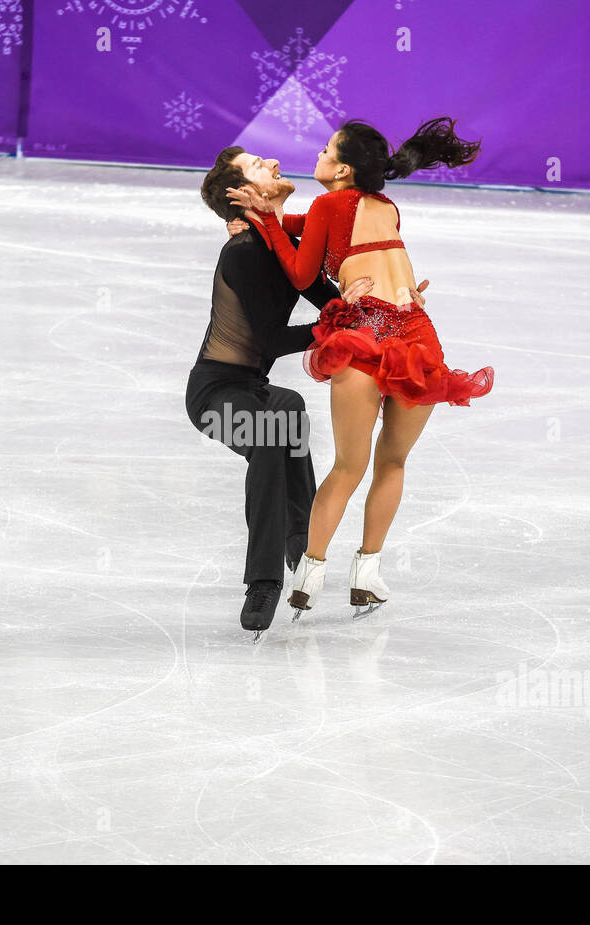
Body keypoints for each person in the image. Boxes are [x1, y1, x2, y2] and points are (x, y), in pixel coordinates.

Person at [225, 118, 494, 618]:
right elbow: (307, 235)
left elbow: (303, 270)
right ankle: (367, 574)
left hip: (368, 333)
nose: (319, 154)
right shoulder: (387, 206)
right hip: (417, 335)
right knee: (393, 463)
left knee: (349, 465)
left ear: (343, 169)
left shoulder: (328, 205)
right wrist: (267, 220)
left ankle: (309, 574)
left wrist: (262, 223)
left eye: (327, 149)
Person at [188, 146, 377, 637]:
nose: (272, 163)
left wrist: (387, 305)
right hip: (214, 396)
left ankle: (299, 541)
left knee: (288, 408)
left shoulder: (279, 244)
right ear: (245, 195)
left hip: (254, 387)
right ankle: (264, 580)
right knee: (273, 434)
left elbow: (331, 301)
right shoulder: (245, 251)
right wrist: (331, 326)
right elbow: (274, 340)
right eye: (257, 166)